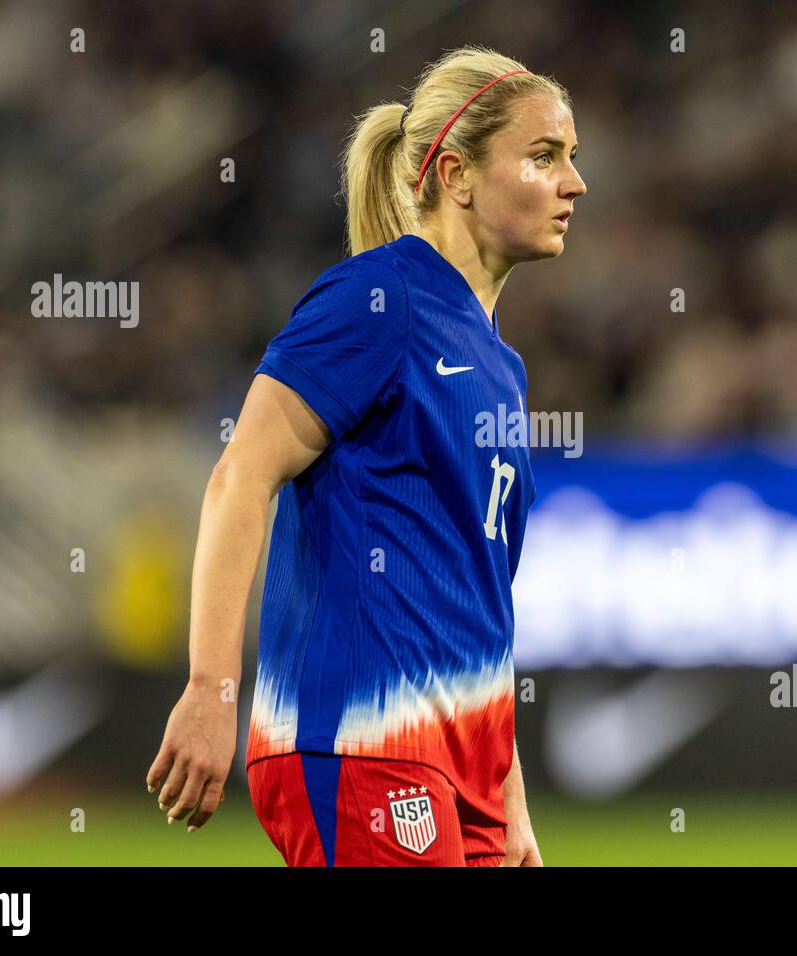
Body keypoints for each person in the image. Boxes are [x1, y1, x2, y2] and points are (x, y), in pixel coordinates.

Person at [145, 44, 585, 866]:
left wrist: (507, 792)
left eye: (570, 157)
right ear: (455, 174)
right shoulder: (377, 301)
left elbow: (478, 599)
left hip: (465, 766)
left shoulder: (502, 365)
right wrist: (211, 686)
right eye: (543, 156)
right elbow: (241, 476)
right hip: (358, 739)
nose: (574, 182)